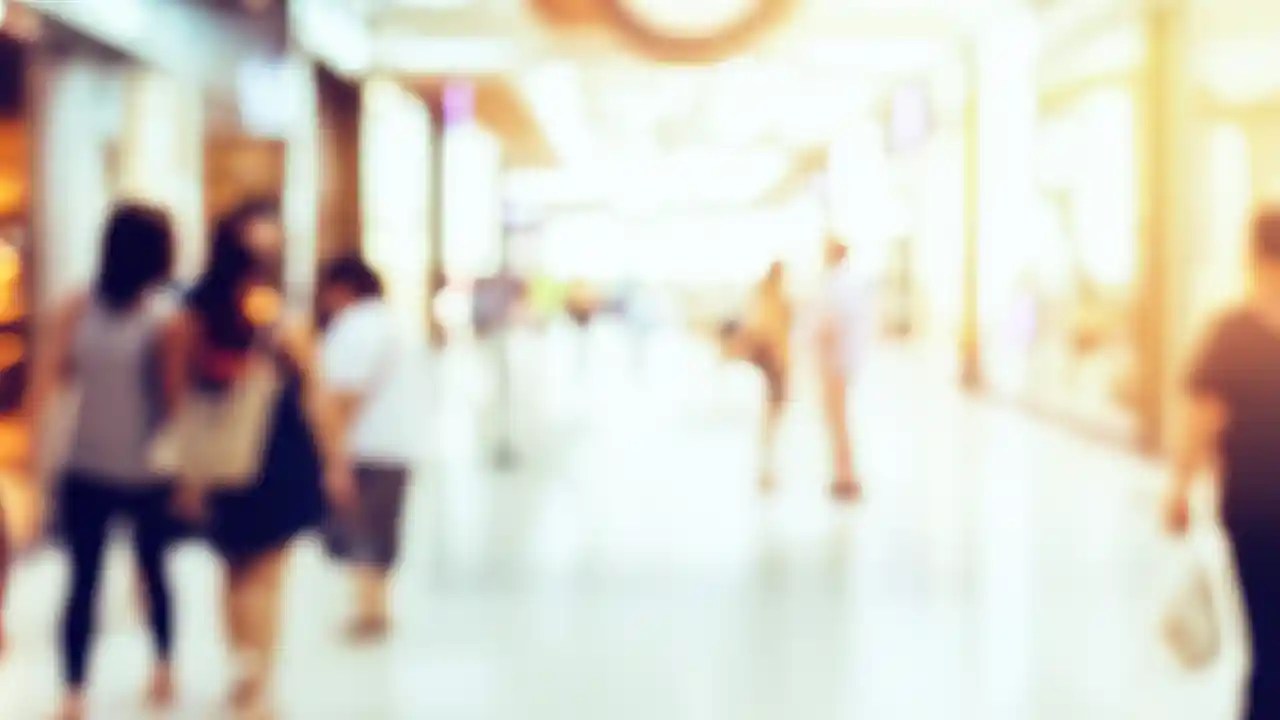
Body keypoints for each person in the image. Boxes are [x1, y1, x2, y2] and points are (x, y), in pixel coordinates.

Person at [171, 200, 328, 712]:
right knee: (266, 573)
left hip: (221, 453)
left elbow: (177, 390)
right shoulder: (275, 311)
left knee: (234, 567)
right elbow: (313, 388)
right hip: (274, 452)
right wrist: (335, 459)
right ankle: (258, 679)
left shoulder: (195, 309)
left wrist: (186, 469)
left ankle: (244, 669)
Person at [32, 204, 179, 720]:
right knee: (82, 581)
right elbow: (44, 387)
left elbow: (174, 401)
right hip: (87, 467)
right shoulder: (77, 307)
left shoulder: (165, 316)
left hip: (148, 471)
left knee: (154, 572)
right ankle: (74, 688)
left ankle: (163, 663)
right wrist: (33, 464)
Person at [1166, 208, 1280, 720]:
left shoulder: (1231, 334)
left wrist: (1179, 490)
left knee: (1267, 643)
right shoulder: (1231, 335)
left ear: (1253, 257)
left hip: (1250, 513)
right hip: (1254, 513)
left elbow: (1201, 422)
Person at [317, 256, 420, 640]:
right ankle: (376, 608)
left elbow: (345, 395)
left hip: (367, 445)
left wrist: (333, 455)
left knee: (362, 531)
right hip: (396, 443)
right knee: (381, 531)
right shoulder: (393, 323)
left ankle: (368, 612)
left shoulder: (356, 327)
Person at [814, 240, 866, 502]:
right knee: (840, 421)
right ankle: (844, 474)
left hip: (834, 363)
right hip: (843, 361)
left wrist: (819, 357)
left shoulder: (836, 284)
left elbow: (829, 327)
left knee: (837, 421)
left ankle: (844, 476)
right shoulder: (850, 283)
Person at [743, 262, 792, 491]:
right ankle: (766, 463)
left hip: (776, 361)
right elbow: (769, 331)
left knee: (773, 413)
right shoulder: (770, 299)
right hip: (774, 363)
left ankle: (767, 461)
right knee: (772, 413)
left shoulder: (770, 298)